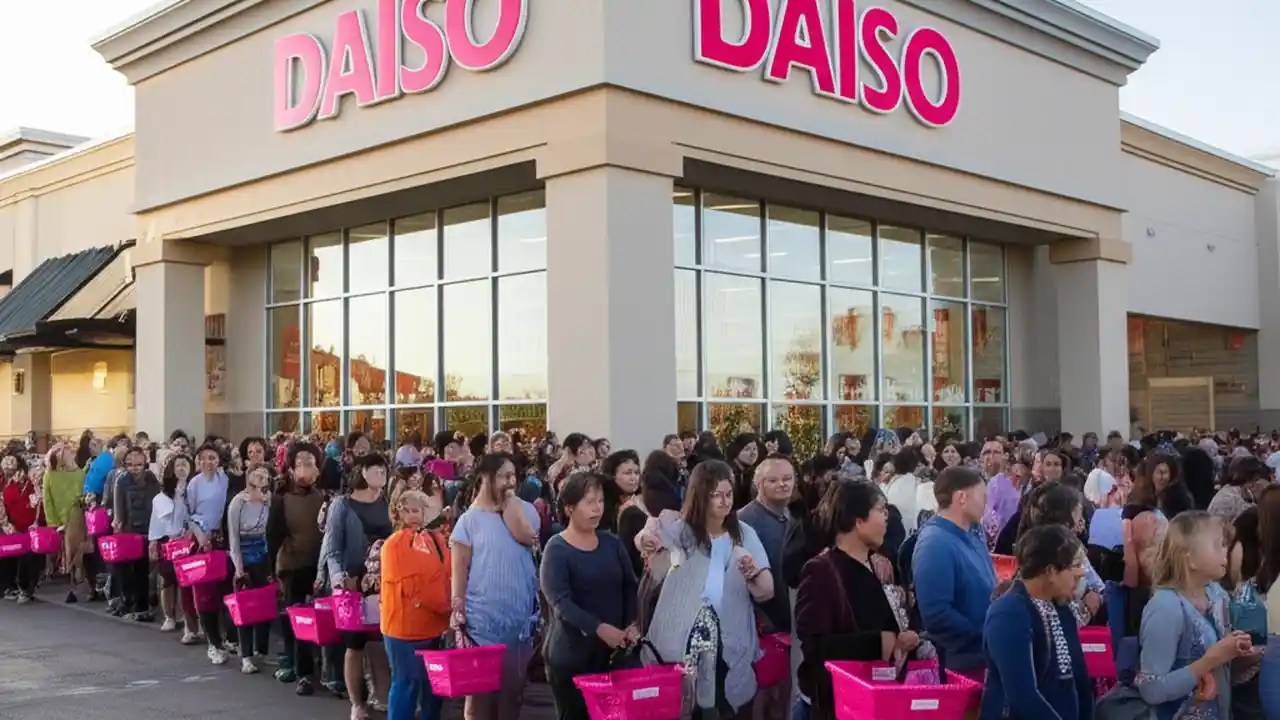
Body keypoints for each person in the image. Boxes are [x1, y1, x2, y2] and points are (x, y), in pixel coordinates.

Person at [638, 460, 774, 719]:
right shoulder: (680, 531)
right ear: (700, 496)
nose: (724, 501)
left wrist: (753, 572)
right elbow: (649, 534)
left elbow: (767, 589)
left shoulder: (743, 534)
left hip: (727, 642)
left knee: (720, 704)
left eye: (729, 494)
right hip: (679, 642)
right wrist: (645, 540)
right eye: (716, 495)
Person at [795, 481, 918, 720]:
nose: (886, 518)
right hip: (843, 703)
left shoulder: (881, 565)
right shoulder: (821, 571)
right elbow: (814, 646)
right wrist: (879, 642)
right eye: (881, 510)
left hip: (882, 698)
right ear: (858, 521)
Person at [1136, 511, 1254, 719]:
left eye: (1225, 544)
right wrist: (1209, 661)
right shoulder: (1166, 606)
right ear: (1189, 557)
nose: (1225, 552)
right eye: (1217, 545)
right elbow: (1151, 689)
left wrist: (1234, 650)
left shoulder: (1216, 594)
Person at [540, 472, 639, 720]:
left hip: (613, 654)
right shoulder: (557, 548)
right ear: (570, 508)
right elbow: (560, 601)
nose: (597, 508)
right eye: (589, 502)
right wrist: (598, 628)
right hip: (572, 655)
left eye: (600, 501)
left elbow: (630, 585)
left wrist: (631, 624)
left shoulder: (611, 542)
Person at [450, 452, 540, 720]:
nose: (510, 481)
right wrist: (457, 609)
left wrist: (510, 503)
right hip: (481, 620)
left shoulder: (527, 510)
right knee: (479, 697)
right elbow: (459, 569)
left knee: (513, 693)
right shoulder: (469, 520)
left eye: (513, 475)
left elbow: (525, 535)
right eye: (503, 476)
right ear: (487, 479)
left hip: (518, 618)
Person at [981, 525, 1093, 720]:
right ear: (1050, 571)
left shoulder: (1062, 607)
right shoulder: (1008, 614)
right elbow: (1023, 697)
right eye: (1073, 565)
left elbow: (1079, 679)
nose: (1081, 573)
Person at [320, 452, 393, 720]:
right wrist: (337, 578)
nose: (382, 475)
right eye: (377, 470)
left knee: (381, 638)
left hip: (383, 578)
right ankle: (357, 702)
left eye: (385, 471)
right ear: (362, 472)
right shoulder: (342, 505)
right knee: (355, 642)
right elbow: (332, 547)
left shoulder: (387, 501)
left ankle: (381, 694)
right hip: (352, 579)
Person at [912, 466, 995, 676]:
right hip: (962, 666)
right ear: (961, 498)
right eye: (982, 496)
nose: (986, 503)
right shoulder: (935, 543)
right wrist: (984, 633)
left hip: (985, 657)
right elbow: (937, 614)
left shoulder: (971, 534)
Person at [737, 455, 799, 720]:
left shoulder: (792, 516)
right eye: (773, 480)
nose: (782, 485)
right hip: (757, 627)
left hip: (789, 622)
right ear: (758, 484)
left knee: (782, 697)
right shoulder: (744, 520)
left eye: (787, 479)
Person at [381, 489, 451, 720]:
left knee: (433, 690)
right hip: (402, 629)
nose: (413, 515)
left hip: (434, 626)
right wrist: (446, 606)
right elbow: (414, 585)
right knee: (406, 685)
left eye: (417, 510)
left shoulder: (436, 540)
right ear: (399, 513)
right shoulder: (393, 544)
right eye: (408, 510)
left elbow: (449, 573)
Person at [267, 441, 327, 694]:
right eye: (300, 463)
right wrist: (273, 570)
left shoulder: (324, 497)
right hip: (291, 565)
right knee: (296, 617)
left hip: (318, 565)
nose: (305, 468)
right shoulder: (282, 499)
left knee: (318, 620)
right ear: (290, 468)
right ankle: (300, 671)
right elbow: (273, 536)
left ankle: (318, 668)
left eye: (310, 463)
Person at [185, 442, 231, 663]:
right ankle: (213, 643)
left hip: (222, 539)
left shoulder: (226, 479)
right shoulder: (194, 484)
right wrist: (200, 535)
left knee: (225, 591)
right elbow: (190, 514)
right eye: (204, 458)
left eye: (213, 458)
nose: (209, 462)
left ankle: (228, 638)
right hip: (201, 539)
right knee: (204, 595)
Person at [227, 464, 273, 674]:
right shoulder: (239, 502)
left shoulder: (268, 499)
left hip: (263, 557)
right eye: (257, 473)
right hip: (244, 557)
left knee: (264, 606)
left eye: (265, 474)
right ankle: (246, 655)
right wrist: (238, 566)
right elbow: (233, 537)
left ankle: (261, 650)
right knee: (245, 607)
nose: (262, 477)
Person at [111, 447, 161, 621]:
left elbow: (156, 504)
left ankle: (142, 606)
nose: (135, 468)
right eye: (130, 464)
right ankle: (127, 602)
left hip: (147, 530)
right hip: (128, 531)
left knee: (142, 570)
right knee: (126, 571)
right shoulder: (121, 480)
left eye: (139, 464)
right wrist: (118, 525)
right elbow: (118, 508)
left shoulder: (152, 479)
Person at [147, 453, 190, 632]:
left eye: (185, 465)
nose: (181, 469)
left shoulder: (193, 489)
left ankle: (183, 614)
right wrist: (154, 541)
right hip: (168, 540)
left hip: (188, 539)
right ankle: (169, 616)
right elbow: (157, 520)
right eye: (178, 465)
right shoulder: (162, 496)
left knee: (185, 581)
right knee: (168, 580)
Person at [0, 454, 42, 604]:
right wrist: (8, 526)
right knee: (11, 557)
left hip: (27, 527)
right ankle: (14, 587)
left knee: (26, 558)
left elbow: (36, 502)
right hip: (13, 526)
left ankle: (25, 587)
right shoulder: (7, 486)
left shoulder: (27, 483)